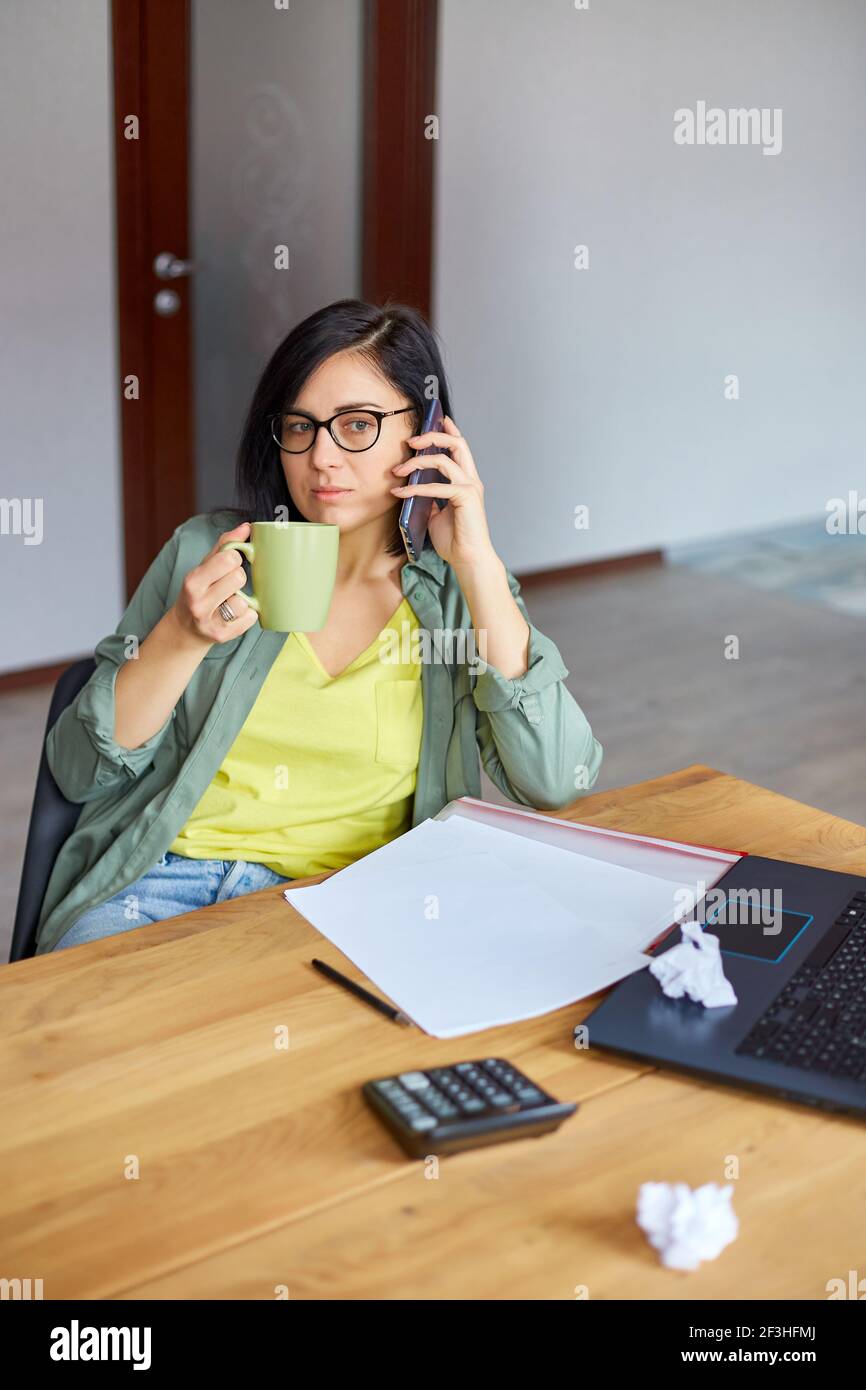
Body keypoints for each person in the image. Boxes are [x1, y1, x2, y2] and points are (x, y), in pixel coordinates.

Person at [35, 299, 602, 954]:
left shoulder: (456, 594)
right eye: (300, 427)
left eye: (356, 425)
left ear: (427, 432)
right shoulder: (207, 554)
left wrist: (476, 561)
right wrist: (180, 638)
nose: (321, 458)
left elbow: (557, 780)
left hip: (355, 902)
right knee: (91, 1047)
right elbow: (79, 774)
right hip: (160, 889)